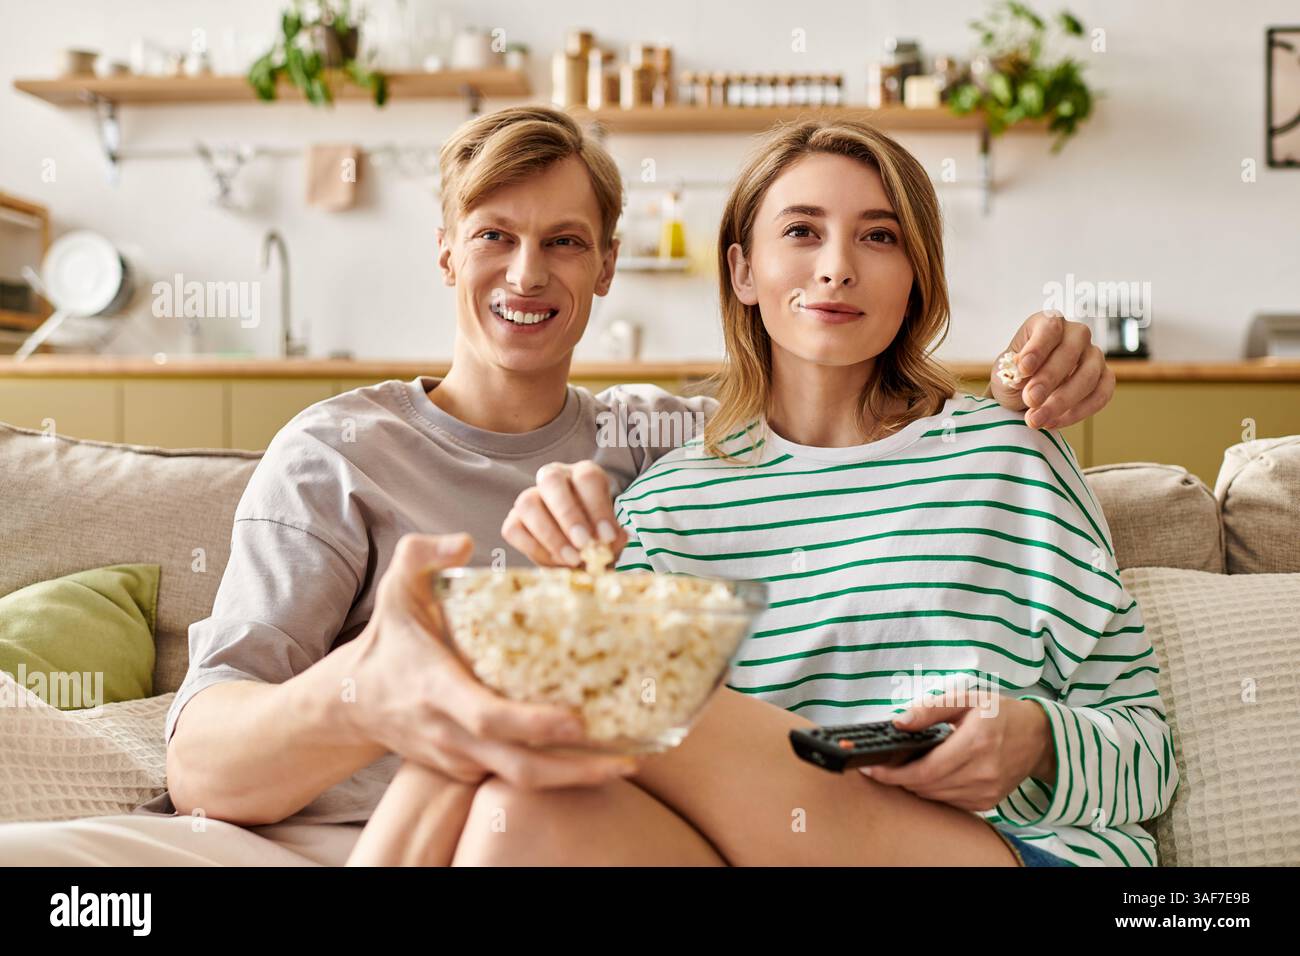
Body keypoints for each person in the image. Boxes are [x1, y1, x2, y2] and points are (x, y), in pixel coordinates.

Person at [0, 107, 1118, 867]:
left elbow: (830, 417)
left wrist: (1039, 359)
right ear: (445, 250)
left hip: (913, 830)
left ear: (607, 265)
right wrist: (383, 680)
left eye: (565, 242)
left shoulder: (667, 447)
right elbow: (199, 764)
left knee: (553, 668)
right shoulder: (349, 452)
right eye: (495, 235)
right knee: (512, 797)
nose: (528, 273)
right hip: (566, 826)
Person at [347, 115, 1168, 866]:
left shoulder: (1008, 458)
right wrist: (569, 587)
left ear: (916, 276)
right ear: (743, 269)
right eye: (802, 232)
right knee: (515, 818)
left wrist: (1036, 742)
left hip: (1001, 853)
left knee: (572, 674)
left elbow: (1151, 753)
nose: (837, 268)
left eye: (878, 237)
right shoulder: (669, 505)